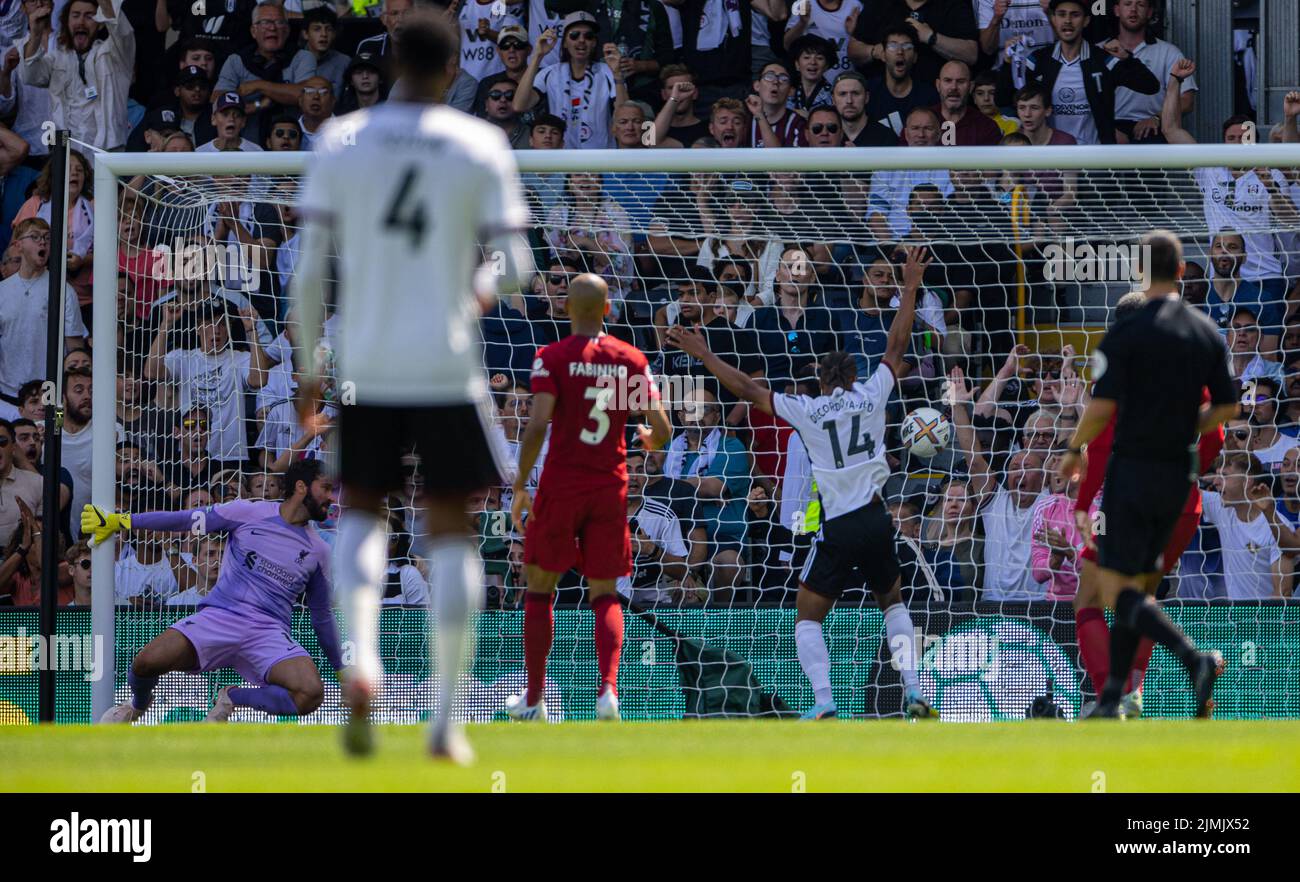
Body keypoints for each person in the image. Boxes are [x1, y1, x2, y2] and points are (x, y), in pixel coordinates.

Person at [294, 8, 534, 764]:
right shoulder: (479, 142)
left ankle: (361, 658)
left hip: (364, 363)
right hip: (446, 362)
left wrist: (310, 372)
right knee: (452, 528)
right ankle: (442, 719)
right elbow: (519, 266)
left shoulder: (341, 140)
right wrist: (482, 284)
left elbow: (309, 272)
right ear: (454, 65)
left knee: (363, 509)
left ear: (391, 60)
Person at [667, 247, 938, 720]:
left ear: (818, 377)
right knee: (892, 602)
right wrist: (910, 285)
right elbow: (896, 348)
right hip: (876, 518)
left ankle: (825, 703)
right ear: (854, 374)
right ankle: (914, 693)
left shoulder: (808, 411)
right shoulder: (873, 393)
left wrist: (702, 351)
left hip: (836, 526)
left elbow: (749, 390)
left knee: (807, 619)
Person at [1059, 230, 1239, 718]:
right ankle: (1123, 694)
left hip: (1132, 481)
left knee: (1102, 596)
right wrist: (1188, 433)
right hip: (1182, 489)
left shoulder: (1126, 339)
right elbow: (1225, 416)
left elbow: (1099, 420)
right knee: (1137, 591)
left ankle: (1179, 663)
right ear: (1183, 271)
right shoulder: (1203, 331)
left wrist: (1075, 465)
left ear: (1141, 271)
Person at [507, 274, 672, 720]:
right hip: (609, 485)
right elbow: (662, 428)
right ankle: (608, 693)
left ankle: (536, 698)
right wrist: (646, 439)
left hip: (561, 485)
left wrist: (522, 485)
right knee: (605, 593)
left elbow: (538, 424)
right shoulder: (630, 358)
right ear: (606, 310)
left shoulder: (551, 357)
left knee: (539, 589)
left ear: (566, 309)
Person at [87, 458, 343, 723]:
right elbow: (184, 520)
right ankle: (137, 706)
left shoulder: (319, 551)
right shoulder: (248, 512)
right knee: (145, 663)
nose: (331, 497)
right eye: (325, 488)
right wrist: (122, 521)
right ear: (301, 487)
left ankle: (233, 697)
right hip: (220, 618)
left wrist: (342, 670)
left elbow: (322, 616)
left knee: (310, 693)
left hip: (268, 632)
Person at [994, 0, 1158, 145]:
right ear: (1053, 19)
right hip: (1050, 159)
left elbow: (1150, 86)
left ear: (1086, 20)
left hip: (1095, 160)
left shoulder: (1102, 59)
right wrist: (1009, 64)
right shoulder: (1039, 60)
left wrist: (1126, 57)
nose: (1067, 20)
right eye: (1061, 14)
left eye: (1075, 15)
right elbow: (1002, 98)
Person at [21, 0, 136, 150]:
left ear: (100, 22)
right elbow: (30, 75)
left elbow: (122, 32)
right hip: (63, 144)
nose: (81, 22)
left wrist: (105, 5)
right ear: (67, 22)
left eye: (89, 16)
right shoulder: (57, 57)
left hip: (106, 147)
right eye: (75, 16)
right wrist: (35, 33)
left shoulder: (115, 54)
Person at [0, 218, 87, 400]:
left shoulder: (64, 291)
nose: (43, 242)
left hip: (52, 394)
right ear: (18, 245)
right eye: (35, 237)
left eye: (47, 238)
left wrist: (66, 397)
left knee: (59, 426)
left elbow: (75, 350)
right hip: (7, 394)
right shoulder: (3, 291)